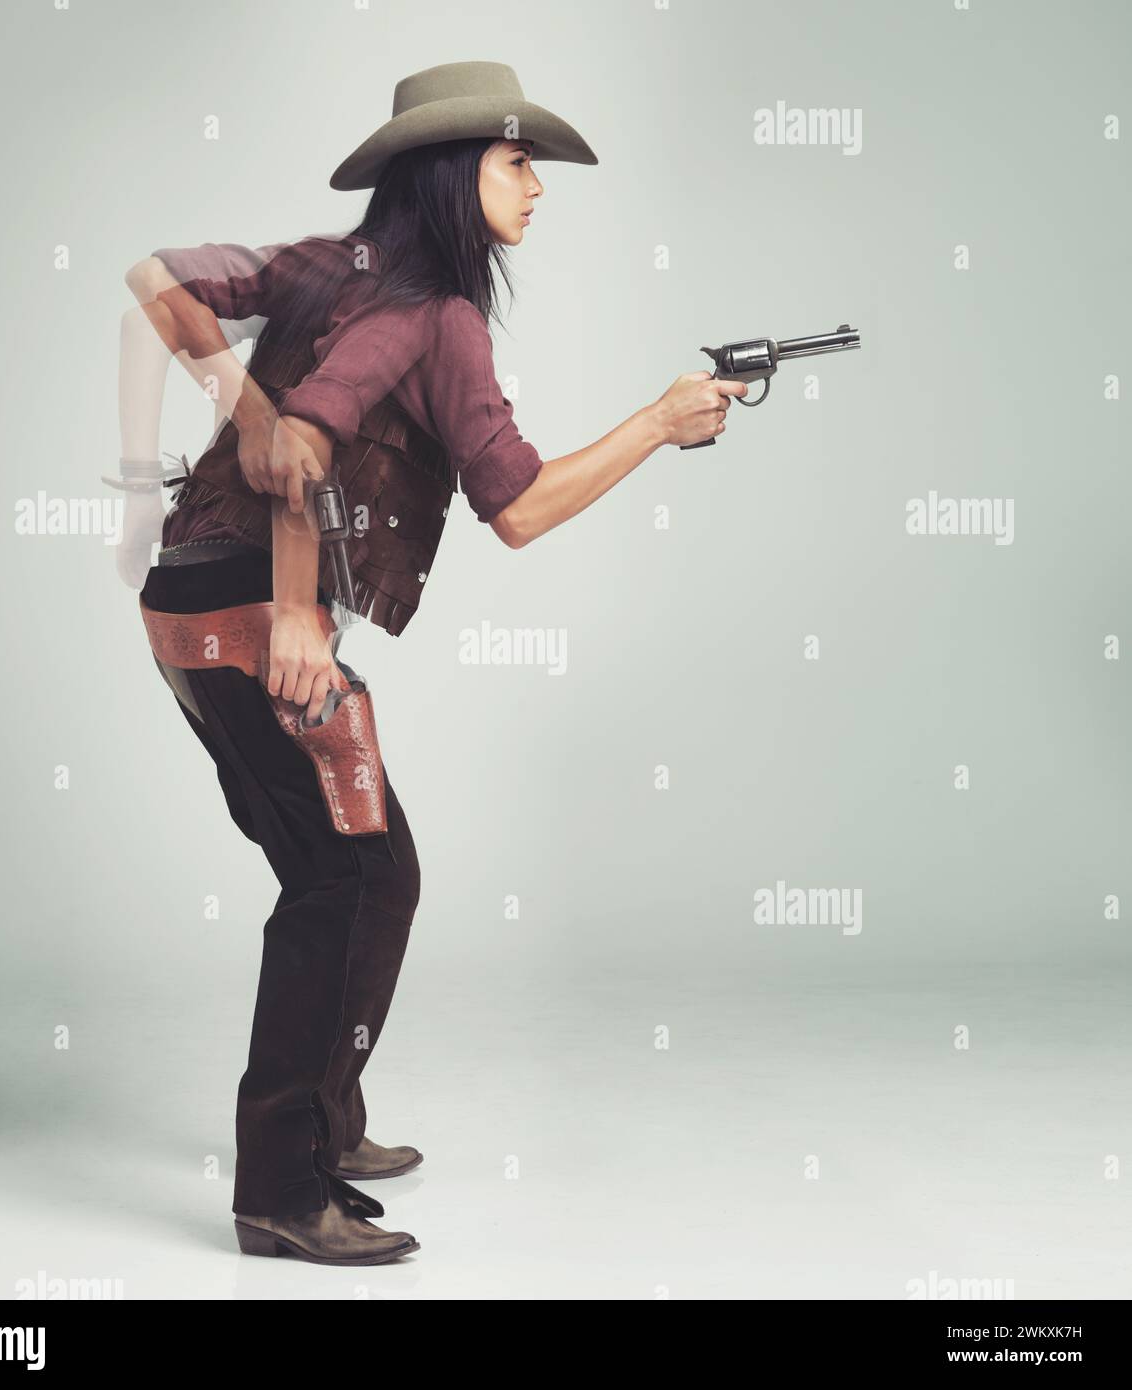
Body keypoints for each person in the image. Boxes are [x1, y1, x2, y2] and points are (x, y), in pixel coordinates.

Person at [114, 60, 746, 1268]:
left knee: (370, 868)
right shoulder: (434, 311)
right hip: (249, 610)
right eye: (518, 163)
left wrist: (234, 407)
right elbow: (505, 503)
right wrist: (660, 425)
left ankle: (325, 1125)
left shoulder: (323, 268)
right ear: (455, 172)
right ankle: (276, 1190)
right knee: (339, 882)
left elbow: (160, 281)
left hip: (185, 605)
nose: (535, 189)